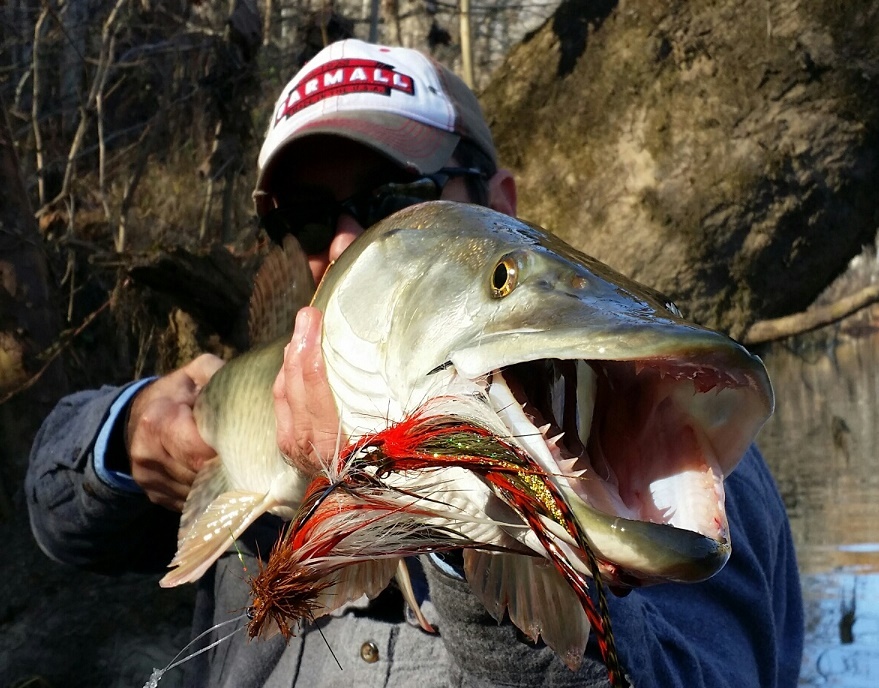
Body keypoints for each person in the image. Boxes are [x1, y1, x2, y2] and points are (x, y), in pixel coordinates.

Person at [26, 39, 803, 687]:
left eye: (392, 195)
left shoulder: (669, 437)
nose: (337, 243)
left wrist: (451, 519)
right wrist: (126, 431)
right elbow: (56, 522)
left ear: (499, 202)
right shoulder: (256, 369)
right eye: (306, 218)